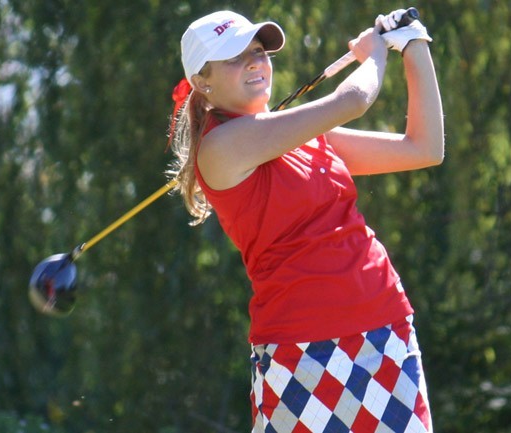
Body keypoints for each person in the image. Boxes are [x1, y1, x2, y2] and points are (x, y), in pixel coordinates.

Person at [167, 8, 444, 433]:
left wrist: (413, 44)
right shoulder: (220, 147)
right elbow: (352, 101)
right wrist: (374, 55)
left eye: (258, 51)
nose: (255, 62)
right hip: (301, 352)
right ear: (202, 83)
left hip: (384, 329)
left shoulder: (306, 137)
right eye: (235, 57)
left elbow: (423, 148)